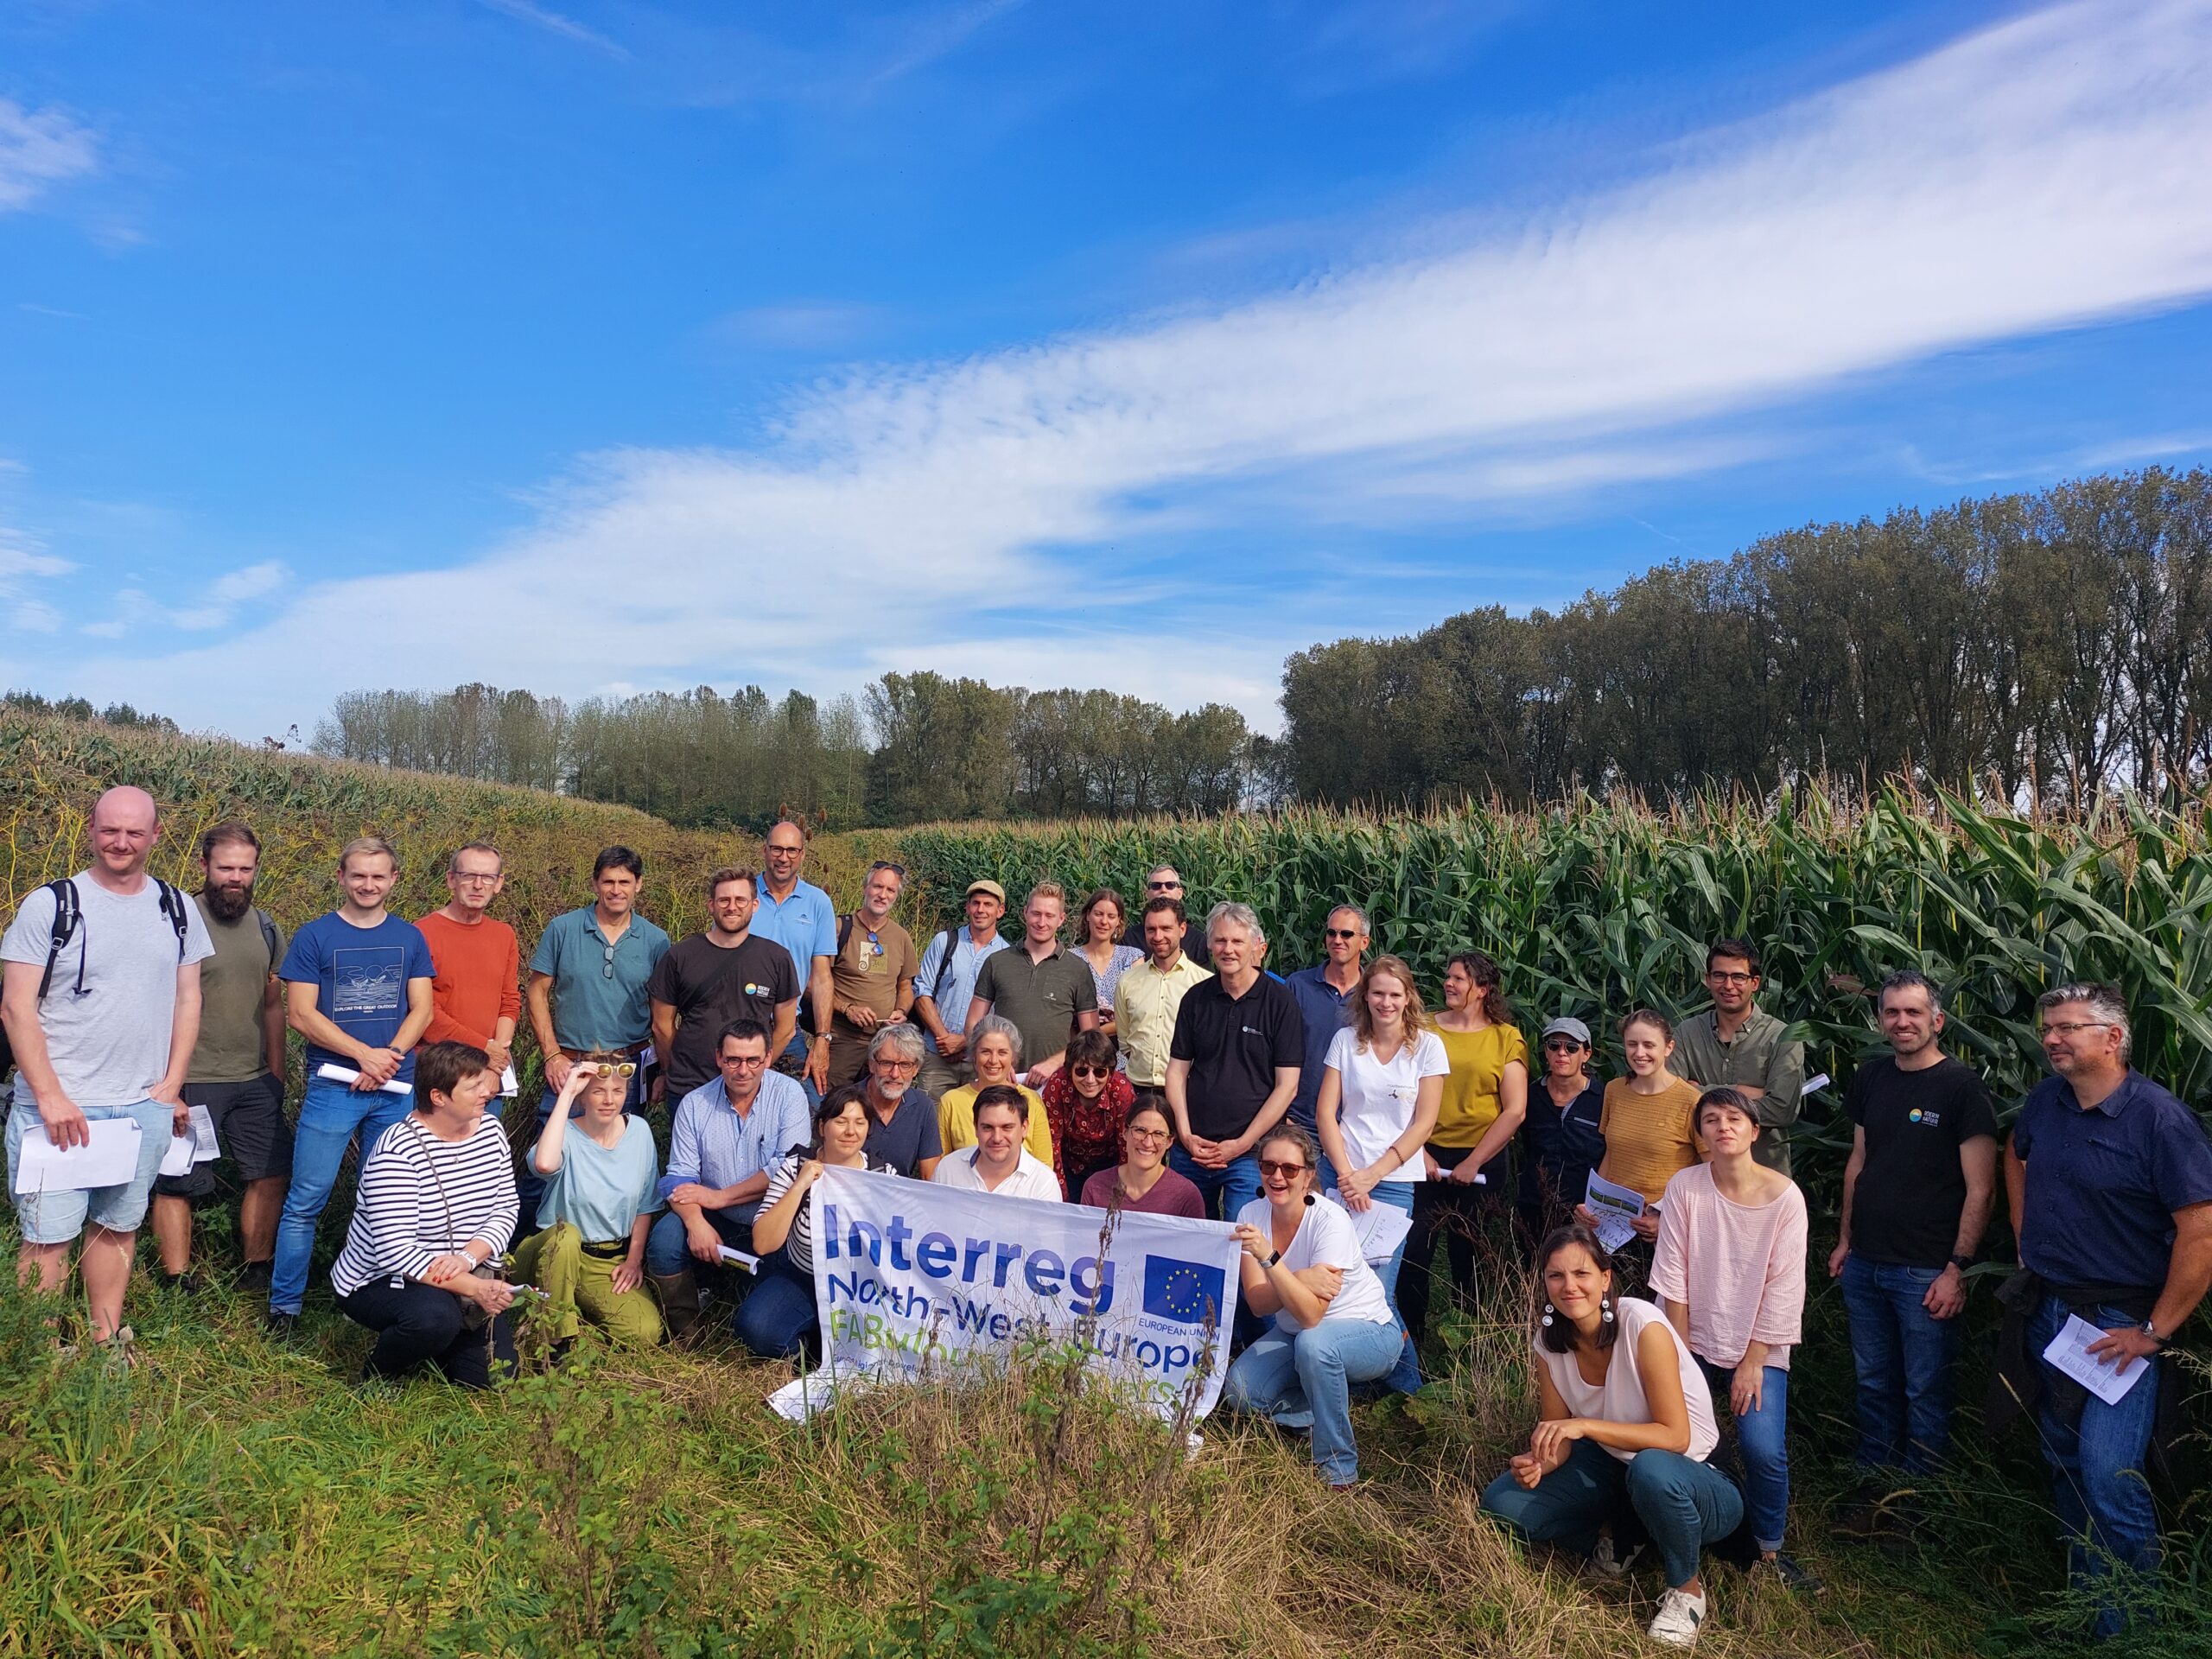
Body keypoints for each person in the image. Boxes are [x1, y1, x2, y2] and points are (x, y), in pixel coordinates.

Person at [2000, 982, 2212, 1637]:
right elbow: (2016, 1154)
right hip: (2053, 1311)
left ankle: (2139, 1625)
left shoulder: (2158, 1120)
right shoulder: (2048, 1101)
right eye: (2049, 1028)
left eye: (2068, 1028)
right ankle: (2088, 1607)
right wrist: (2026, 1241)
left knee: (2109, 1472)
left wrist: (2156, 1332)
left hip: (2120, 1325)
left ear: (2113, 1037)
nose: (2053, 1039)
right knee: (2063, 1457)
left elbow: (2201, 1229)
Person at [3, 786, 213, 1352]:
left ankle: (104, 1340)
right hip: (58, 1108)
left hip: (140, 1106)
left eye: (134, 832)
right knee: (48, 1239)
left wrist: (170, 1086)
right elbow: (15, 1006)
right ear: (91, 828)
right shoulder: (51, 905)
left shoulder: (177, 907)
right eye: (110, 830)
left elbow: (187, 998)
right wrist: (48, 1095)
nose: (121, 842)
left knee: (118, 1228)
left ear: (155, 836)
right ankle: (39, 1352)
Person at [1478, 1224, 1740, 1650]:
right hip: (1616, 1468)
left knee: (1652, 1466)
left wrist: (1583, 1427)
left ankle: (1686, 1591)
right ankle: (1621, 1534)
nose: (1569, 1287)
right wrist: (1540, 1462)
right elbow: (1557, 1433)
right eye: (1555, 1276)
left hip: (1698, 1477)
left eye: (1581, 1274)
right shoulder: (1547, 1342)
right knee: (1502, 1504)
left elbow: (1674, 1436)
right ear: (1544, 1284)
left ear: (1605, 1278)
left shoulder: (1641, 1323)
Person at [1827, 970, 1997, 1523]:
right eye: (1891, 1013)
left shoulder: (1960, 1088)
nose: (1901, 1022)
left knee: (1925, 1390)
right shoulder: (1872, 1078)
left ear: (1937, 1020)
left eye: (1913, 1013)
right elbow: (1859, 1163)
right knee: (1873, 1382)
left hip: (1926, 1270)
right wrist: (1846, 1239)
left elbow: (1982, 1187)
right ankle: (1874, 1484)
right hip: (1866, 1262)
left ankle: (1918, 1505)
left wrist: (1957, 1269)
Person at [268, 835, 435, 1338]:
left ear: (393, 881)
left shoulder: (409, 938)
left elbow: (422, 1008)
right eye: (358, 875)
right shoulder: (315, 936)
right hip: (334, 1086)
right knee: (306, 1200)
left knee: (386, 1203)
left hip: (396, 1088)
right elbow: (299, 1013)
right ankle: (285, 1309)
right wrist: (363, 1055)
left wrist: (389, 1060)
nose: (368, 884)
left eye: (378, 875)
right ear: (341, 877)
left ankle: (370, 1303)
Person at [1651, 1087, 1812, 1591]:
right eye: (1711, 1119)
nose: (1723, 1126)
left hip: (1758, 1343)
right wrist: (1677, 1358)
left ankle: (1768, 1549)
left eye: (1734, 1118)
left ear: (1754, 1131)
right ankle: (1681, 1529)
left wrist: (1752, 1361)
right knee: (1676, 1435)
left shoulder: (1785, 1197)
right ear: (1700, 1134)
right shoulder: (1685, 1186)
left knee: (1762, 1448)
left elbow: (1784, 1286)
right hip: (1689, 1338)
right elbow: (1672, 1276)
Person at [329, 1040, 519, 1388]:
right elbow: (396, 1253)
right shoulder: (397, 1152)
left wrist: (467, 1258)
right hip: (380, 1279)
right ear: (439, 1097)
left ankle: (437, 1346)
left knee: (493, 1378)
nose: (486, 1091)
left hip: (461, 1269)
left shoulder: (492, 1132)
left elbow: (506, 1207)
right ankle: (378, 1375)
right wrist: (475, 1287)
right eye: (473, 1085)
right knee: (433, 1318)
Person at [1223, 1125, 1402, 1489]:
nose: (1277, 1176)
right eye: (1267, 1165)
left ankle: (1339, 1467)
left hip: (1370, 1331)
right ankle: (1311, 1411)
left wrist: (1270, 1263)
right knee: (1239, 1391)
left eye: (1289, 1169)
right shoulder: (1250, 1214)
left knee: (1315, 1345)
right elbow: (1258, 1304)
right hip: (1296, 1332)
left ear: (1308, 1176)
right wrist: (1299, 1276)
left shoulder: (1330, 1220)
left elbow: (1311, 1315)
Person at [150, 821, 287, 1295]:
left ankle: (256, 1270)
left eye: (245, 868)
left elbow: (273, 1005)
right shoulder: (172, 921)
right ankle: (177, 1280)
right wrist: (165, 1082)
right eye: (225, 867)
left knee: (269, 1175)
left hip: (253, 1079)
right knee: (177, 1182)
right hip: (190, 1078)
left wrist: (276, 1075)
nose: (235, 877)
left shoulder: (265, 927)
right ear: (204, 865)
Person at [522, 847, 671, 1217]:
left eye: (625, 881)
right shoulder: (563, 929)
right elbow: (537, 991)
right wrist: (552, 1054)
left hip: (628, 1066)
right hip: (570, 1064)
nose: (616, 889)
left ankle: (614, 1247)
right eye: (608, 881)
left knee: (617, 1157)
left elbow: (662, 1015)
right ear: (595, 883)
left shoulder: (656, 941)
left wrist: (662, 1071)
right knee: (547, 1159)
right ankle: (525, 1249)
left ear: (639, 885)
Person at [643, 1019, 810, 1337]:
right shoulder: (695, 1104)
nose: (742, 1070)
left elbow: (788, 1169)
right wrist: (696, 1224)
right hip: (714, 1219)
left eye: (752, 1060)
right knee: (665, 1241)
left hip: (772, 1223)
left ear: (768, 1058)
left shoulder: (789, 1095)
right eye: (733, 1060)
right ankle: (685, 1330)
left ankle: (731, 1292)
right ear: (719, 1057)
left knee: (758, 1312)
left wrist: (719, 1196)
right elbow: (677, 1178)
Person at [1401, 950, 1525, 1346]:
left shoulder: (1505, 1037)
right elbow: (1400, 1092)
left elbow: (1514, 1110)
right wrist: (1418, 1151)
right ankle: (1410, 1338)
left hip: (1481, 1159)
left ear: (1483, 990)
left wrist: (1473, 1161)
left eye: (1459, 979)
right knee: (1414, 1248)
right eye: (1448, 977)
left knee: (1467, 1251)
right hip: (1424, 1151)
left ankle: (1467, 1340)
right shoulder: (1422, 1028)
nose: (1448, 984)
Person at [508, 1052, 665, 1350]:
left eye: (617, 1091)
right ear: (583, 1096)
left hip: (606, 1260)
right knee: (567, 1234)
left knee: (644, 1333)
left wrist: (633, 1260)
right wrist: (566, 1093)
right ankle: (555, 1342)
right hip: (552, 1253)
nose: (609, 1100)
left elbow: (646, 1204)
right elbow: (544, 1165)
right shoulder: (563, 1132)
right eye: (598, 1091)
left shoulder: (640, 1132)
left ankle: (579, 1327)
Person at [1314, 954, 1445, 1310]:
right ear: (1365, 996)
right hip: (1340, 1175)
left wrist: (1371, 1176)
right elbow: (1326, 1112)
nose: (1386, 1003)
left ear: (1408, 998)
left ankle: (1397, 1366)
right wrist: (1347, 1176)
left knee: (1377, 1291)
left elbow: (1424, 1124)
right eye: (1377, 994)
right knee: (1330, 1282)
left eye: (1395, 995)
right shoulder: (1344, 1040)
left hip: (1394, 1183)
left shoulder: (1428, 1048)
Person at [736, 1084, 899, 1359]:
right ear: (822, 1126)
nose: (850, 1131)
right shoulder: (794, 1167)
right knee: (757, 1330)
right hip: (802, 1275)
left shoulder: (884, 1176)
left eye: (860, 1123)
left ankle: (822, 1346)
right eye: (841, 1121)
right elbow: (763, 1243)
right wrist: (800, 1186)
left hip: (860, 1287)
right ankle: (805, 1345)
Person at [1166, 902, 1302, 1223]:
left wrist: (1243, 1143)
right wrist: (1184, 1134)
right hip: (1193, 1149)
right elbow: (1176, 1071)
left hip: (1252, 1154)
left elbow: (1288, 1086)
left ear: (1255, 945)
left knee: (1243, 1243)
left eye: (1238, 942)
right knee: (1187, 1239)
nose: (1228, 950)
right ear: (1210, 945)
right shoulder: (1196, 999)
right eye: (1221, 941)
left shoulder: (1280, 1002)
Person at [646, 866, 799, 1106]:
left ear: (755, 905)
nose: (732, 907)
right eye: (724, 900)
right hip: (690, 1086)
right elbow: (662, 1026)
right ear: (711, 905)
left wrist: (754, 1070)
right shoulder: (680, 956)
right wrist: (670, 1070)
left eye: (741, 900)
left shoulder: (777, 958)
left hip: (749, 1090)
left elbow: (786, 1028)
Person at [1577, 1008, 1703, 1280]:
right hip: (1614, 1228)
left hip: (1664, 1229)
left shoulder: (1690, 1101)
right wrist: (1592, 1206)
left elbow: (1710, 1170)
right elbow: (1612, 1153)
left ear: (1669, 1048)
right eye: (1632, 1044)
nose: (1639, 1053)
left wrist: (1667, 1218)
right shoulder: (1614, 1090)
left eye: (1649, 1045)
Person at [1672, 940, 1804, 1176]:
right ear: (1707, 979)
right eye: (1720, 975)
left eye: (1739, 977)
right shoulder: (1686, 1032)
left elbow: (1782, 1110)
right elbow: (1673, 1102)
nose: (1728, 985)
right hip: (1700, 1180)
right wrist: (1747, 1092)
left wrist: (1703, 1091)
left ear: (1755, 983)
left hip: (1764, 1178)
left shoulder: (1784, 1037)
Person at [964, 881, 1097, 1088]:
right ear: (1025, 913)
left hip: (1055, 1081)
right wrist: (996, 1062)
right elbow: (973, 1022)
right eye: (1036, 913)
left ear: (1061, 919)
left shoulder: (1077, 969)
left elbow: (1091, 1036)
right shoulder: (997, 962)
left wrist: (1054, 1063)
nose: (1041, 922)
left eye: (1049, 916)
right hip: (1002, 1079)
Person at [416, 841, 521, 1081]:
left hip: (489, 1070)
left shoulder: (503, 935)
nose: (478, 885)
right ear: (451, 879)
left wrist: (498, 1061)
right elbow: (423, 1010)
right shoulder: (421, 934)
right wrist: (484, 1049)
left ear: (498, 883)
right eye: (469, 876)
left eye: (487, 877)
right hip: (439, 1068)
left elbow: (509, 1001)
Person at [749, 821, 837, 1097]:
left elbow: (822, 977)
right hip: (740, 1024)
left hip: (787, 1028)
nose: (783, 857)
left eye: (791, 850)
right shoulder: (743, 894)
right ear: (764, 851)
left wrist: (822, 1039)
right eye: (776, 849)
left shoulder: (817, 902)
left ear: (802, 855)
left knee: (811, 1107)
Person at [911, 879, 1008, 1100]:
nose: (980, 910)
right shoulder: (945, 941)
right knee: (932, 1123)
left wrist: (965, 1041)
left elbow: (1002, 1010)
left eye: (988, 904)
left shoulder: (1006, 955)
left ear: (1000, 911)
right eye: (975, 903)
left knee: (975, 1126)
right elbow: (922, 991)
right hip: (937, 1055)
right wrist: (943, 1038)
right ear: (967, 907)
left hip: (980, 1061)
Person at [823, 861, 918, 1091]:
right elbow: (812, 984)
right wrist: (848, 1009)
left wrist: (901, 1012)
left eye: (890, 890)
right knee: (830, 1101)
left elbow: (905, 986)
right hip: (842, 1039)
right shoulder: (838, 929)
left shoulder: (901, 937)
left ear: (896, 896)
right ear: (865, 888)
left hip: (884, 1043)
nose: (882, 895)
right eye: (877, 887)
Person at [1516, 1015, 1606, 1247]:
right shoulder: (1529, 1096)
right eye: (1554, 1045)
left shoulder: (1604, 1098)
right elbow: (1526, 1145)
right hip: (1534, 1205)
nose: (1562, 1053)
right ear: (1546, 1052)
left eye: (1572, 1047)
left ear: (1586, 1054)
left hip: (1584, 1210)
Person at [1113, 896, 1210, 1109]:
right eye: (1151, 929)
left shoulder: (1204, 983)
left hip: (1186, 1094)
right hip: (1136, 1093)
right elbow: (1126, 1042)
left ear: (1182, 929)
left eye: (1166, 928)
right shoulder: (1128, 981)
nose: (1158, 936)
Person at [1286, 905, 1369, 1135]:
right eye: (1331, 933)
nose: (1337, 939)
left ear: (1364, 942)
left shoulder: (1375, 994)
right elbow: (1274, 1050)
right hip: (1299, 1121)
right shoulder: (1298, 986)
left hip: (1354, 1126)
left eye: (1346, 934)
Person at [937, 1016, 1053, 1166]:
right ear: (974, 1056)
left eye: (1002, 1052)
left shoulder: (1031, 1100)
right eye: (985, 1052)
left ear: (1013, 1058)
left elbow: (1045, 1165)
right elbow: (941, 1166)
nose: (993, 1060)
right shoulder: (951, 1101)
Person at [1041, 1028, 1133, 1198]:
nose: (1090, 1080)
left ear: (1110, 1073)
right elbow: (1053, 1143)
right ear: (1070, 1070)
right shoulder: (1057, 1086)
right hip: (1070, 1167)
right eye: (1081, 1071)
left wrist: (1120, 1195)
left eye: (1099, 1072)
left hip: (1110, 1167)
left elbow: (1126, 1146)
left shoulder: (1122, 1090)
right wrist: (1061, 1198)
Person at [930, 1086, 1063, 1199]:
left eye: (1007, 1127)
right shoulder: (948, 1169)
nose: (997, 1138)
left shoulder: (1044, 1183)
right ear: (976, 1128)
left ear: (1024, 1128)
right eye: (987, 1127)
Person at [1078, 1100, 1206, 1217]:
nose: (1148, 1143)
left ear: (1169, 1141)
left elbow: (1198, 1242)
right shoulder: (1095, 1187)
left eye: (1158, 1134)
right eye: (1140, 1130)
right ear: (1125, 1132)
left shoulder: (1187, 1196)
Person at [857, 1022, 943, 1179]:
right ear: (872, 1065)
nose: (895, 1074)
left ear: (916, 1069)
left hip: (899, 1199)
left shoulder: (923, 1107)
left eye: (905, 1065)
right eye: (887, 1063)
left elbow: (930, 1177)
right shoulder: (847, 1102)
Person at [1071, 888, 1141, 1039]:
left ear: (1118, 921)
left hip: (1125, 1051)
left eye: (1111, 916)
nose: (1104, 921)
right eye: (1098, 914)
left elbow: (1139, 1013)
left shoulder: (1132, 958)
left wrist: (1094, 1034)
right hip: (1081, 1052)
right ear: (1088, 916)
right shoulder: (1071, 959)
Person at [1122, 865, 1209, 967]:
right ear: (1146, 893)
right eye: (1156, 886)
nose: (1163, 890)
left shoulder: (1197, 941)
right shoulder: (1129, 939)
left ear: (1180, 893)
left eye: (1170, 885)